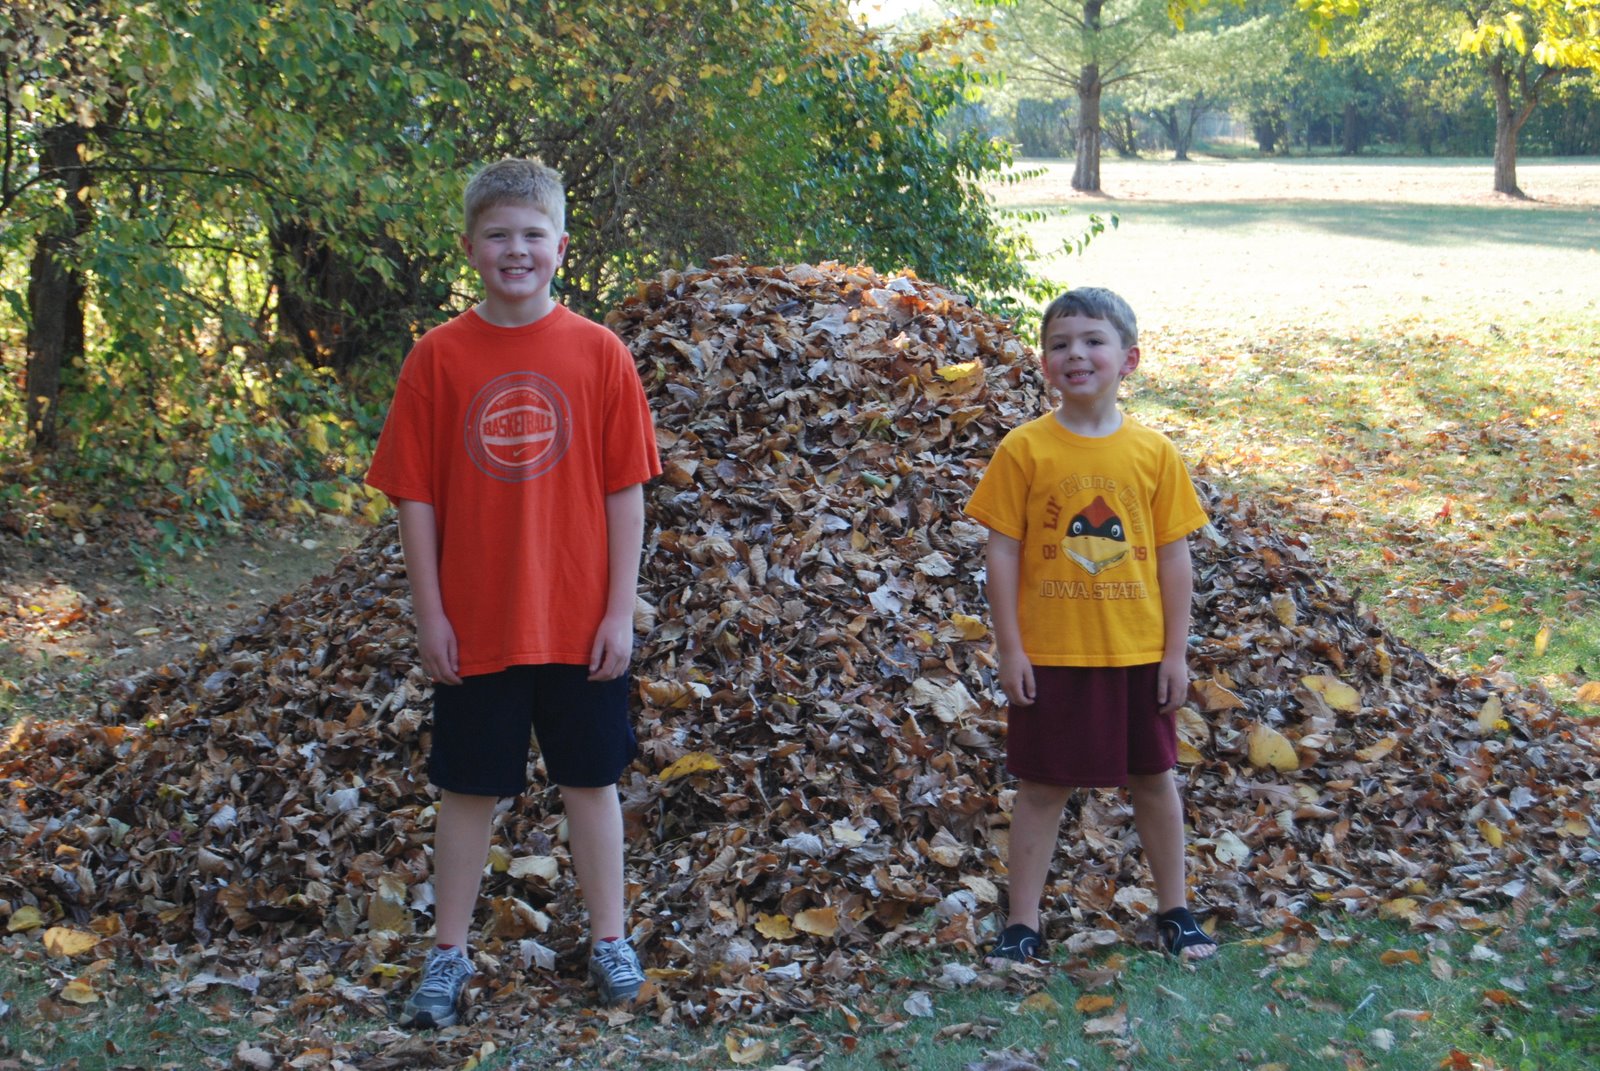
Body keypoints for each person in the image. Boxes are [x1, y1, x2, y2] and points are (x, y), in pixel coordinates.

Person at [365, 156, 662, 1027]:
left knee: (592, 782)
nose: (516, 249)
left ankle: (609, 939)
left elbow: (625, 491)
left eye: (533, 234)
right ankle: (447, 955)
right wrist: (431, 614)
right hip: (479, 620)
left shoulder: (600, 353)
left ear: (561, 246)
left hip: (578, 623)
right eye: (498, 234)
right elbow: (411, 494)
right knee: (467, 788)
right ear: (469, 247)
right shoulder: (438, 357)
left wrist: (618, 610)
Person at [964, 286, 1218, 963]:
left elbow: (1173, 556)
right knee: (1043, 786)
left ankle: (1176, 910)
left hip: (1136, 650)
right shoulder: (1024, 450)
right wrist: (1010, 648)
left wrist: (1175, 653)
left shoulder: (1153, 453)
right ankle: (1022, 925)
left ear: (1129, 358)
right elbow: (1003, 551)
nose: (1076, 354)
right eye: (1059, 344)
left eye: (1093, 340)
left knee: (1154, 777)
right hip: (1053, 652)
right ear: (1044, 364)